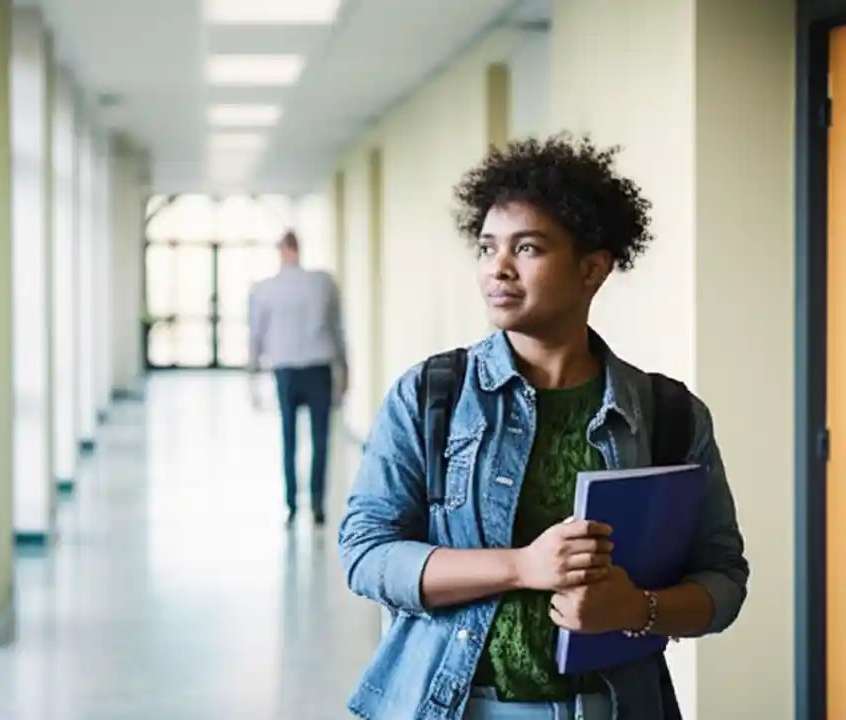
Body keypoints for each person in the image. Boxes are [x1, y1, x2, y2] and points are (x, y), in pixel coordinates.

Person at [337, 135, 748, 720]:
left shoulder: (670, 413)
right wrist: (521, 566)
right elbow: (366, 554)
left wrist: (635, 608)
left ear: (592, 268)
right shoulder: (432, 394)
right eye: (487, 248)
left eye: (526, 248)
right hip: (453, 706)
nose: (497, 268)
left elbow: (723, 580)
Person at [248, 230, 348, 526]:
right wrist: (345, 367)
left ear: (281, 251)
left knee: (289, 437)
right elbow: (338, 329)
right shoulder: (323, 283)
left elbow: (256, 332)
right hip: (319, 367)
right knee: (320, 439)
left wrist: (252, 369)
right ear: (298, 249)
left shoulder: (266, 288)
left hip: (286, 369)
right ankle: (317, 503)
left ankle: (291, 503)